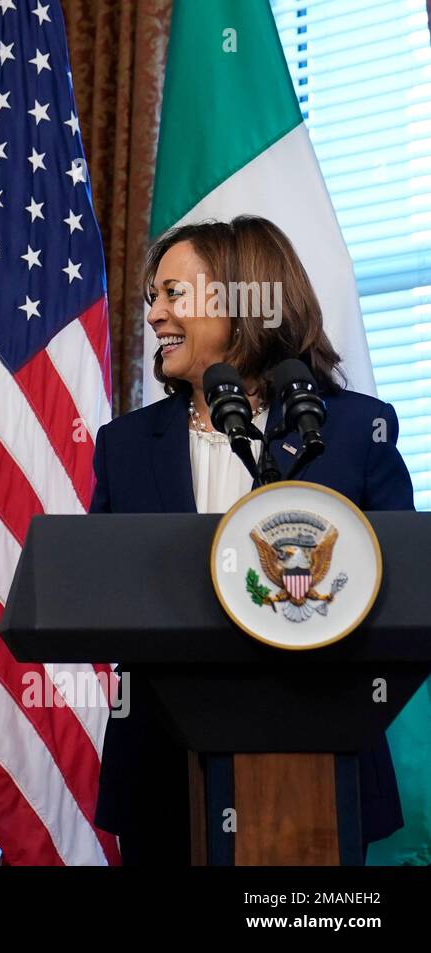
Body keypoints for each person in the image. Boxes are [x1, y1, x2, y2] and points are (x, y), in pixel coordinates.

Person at [90, 215, 409, 864]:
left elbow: (403, 599)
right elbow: (99, 600)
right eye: (153, 297)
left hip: (320, 769)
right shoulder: (124, 447)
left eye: (174, 294)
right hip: (162, 775)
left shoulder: (352, 432)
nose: (153, 315)